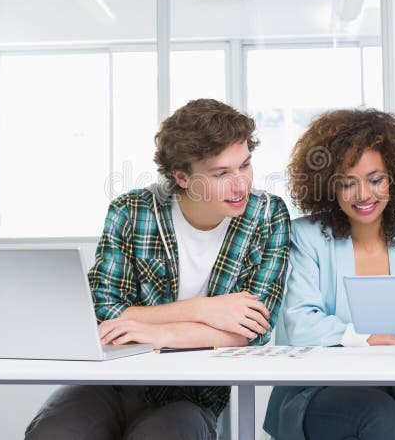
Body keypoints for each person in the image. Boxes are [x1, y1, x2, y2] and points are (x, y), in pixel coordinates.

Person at [25, 98, 290, 440]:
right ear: (181, 176)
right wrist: (203, 310)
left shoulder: (267, 215)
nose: (240, 184)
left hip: (191, 392)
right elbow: (102, 313)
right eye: (221, 173)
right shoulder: (132, 210)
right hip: (113, 378)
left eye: (245, 165)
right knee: (54, 433)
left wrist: (161, 335)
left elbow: (254, 330)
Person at [263, 108, 395, 440]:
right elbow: (300, 324)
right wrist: (365, 338)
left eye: (375, 179)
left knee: (387, 416)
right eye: (347, 183)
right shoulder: (306, 236)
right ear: (328, 185)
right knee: (377, 413)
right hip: (318, 393)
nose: (364, 195)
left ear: (394, 178)